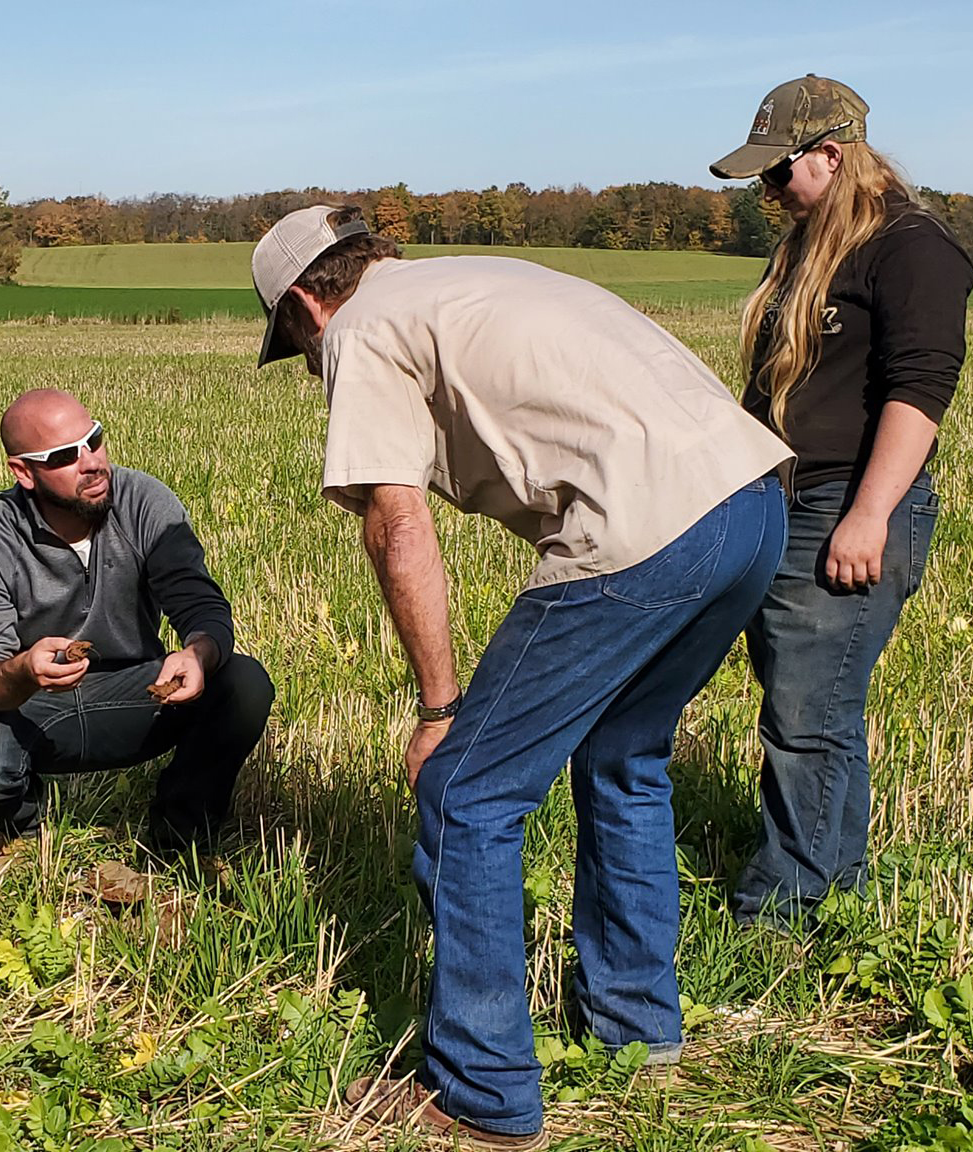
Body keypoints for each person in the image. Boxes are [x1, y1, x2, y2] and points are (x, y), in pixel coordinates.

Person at [251, 207, 790, 1147]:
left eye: (295, 344)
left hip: (644, 531)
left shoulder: (365, 329)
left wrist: (440, 708)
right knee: (626, 759)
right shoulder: (471, 278)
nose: (306, 368)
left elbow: (396, 524)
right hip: (751, 509)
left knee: (467, 790)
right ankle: (636, 1033)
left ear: (306, 302)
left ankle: (481, 1089)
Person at [708, 76, 973, 929]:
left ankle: (787, 909)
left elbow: (920, 390)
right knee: (807, 704)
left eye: (777, 173)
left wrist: (869, 514)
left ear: (831, 154)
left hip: (848, 504)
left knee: (804, 717)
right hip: (787, 500)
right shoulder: (815, 243)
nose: (768, 193)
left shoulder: (910, 246)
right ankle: (836, 884)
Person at [0, 389, 274, 859]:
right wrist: (25, 670)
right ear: (23, 472)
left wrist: (197, 653)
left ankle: (181, 831)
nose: (91, 461)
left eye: (94, 439)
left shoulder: (143, 500)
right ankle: (24, 834)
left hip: (140, 693)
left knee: (244, 684)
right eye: (65, 456)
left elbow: (202, 607)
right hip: (33, 704)